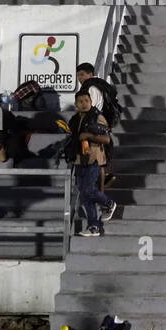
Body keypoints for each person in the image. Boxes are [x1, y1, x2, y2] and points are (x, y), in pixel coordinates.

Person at [66, 91, 116, 237]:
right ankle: (93, 227)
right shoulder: (75, 119)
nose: (84, 104)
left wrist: (88, 135)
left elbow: (106, 139)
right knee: (84, 195)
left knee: (88, 190)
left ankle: (109, 203)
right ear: (76, 104)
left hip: (93, 159)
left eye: (86, 100)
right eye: (80, 101)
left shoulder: (98, 117)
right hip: (79, 160)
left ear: (91, 102)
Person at [75, 62, 119, 187]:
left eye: (82, 75)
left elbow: (89, 109)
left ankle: (98, 188)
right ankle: (99, 185)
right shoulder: (98, 85)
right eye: (78, 75)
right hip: (97, 126)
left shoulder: (91, 88)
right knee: (98, 161)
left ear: (90, 74)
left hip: (93, 126)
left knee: (96, 160)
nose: (79, 78)